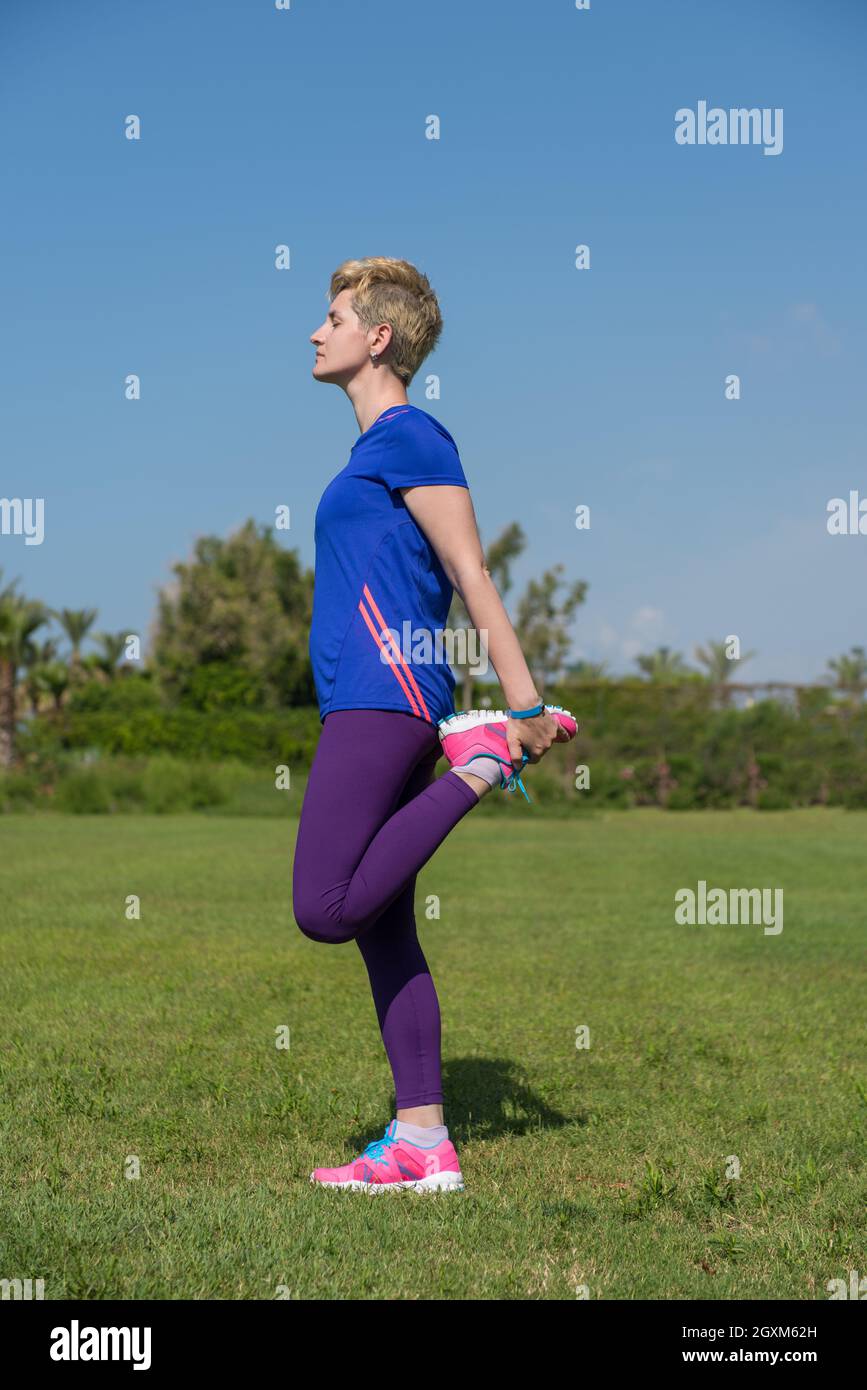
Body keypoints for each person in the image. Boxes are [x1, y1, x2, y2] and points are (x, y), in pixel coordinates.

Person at [294, 256, 576, 1192]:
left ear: (378, 337)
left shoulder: (413, 437)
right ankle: (423, 1144)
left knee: (323, 909)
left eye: (331, 316)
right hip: (375, 696)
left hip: (389, 698)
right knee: (381, 928)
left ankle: (480, 763)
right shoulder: (376, 449)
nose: (314, 331)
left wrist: (522, 709)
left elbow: (473, 575)